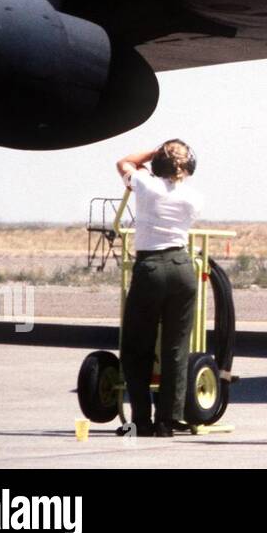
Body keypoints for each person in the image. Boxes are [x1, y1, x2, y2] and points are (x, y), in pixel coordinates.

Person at [115, 140, 204, 438]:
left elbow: (124, 162)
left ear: (158, 164)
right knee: (176, 349)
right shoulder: (193, 197)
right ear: (188, 166)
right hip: (182, 267)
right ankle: (168, 420)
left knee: (136, 347)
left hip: (151, 267)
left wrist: (153, 153)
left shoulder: (145, 184)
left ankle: (141, 419)